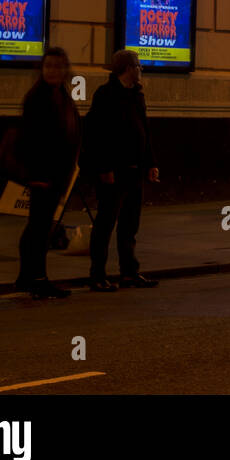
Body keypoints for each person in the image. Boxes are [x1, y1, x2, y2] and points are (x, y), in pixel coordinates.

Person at [82, 50, 161, 291]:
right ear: (127, 68)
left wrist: (151, 163)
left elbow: (144, 132)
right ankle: (97, 275)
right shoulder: (106, 95)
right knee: (105, 223)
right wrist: (104, 168)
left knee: (129, 224)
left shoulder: (137, 95)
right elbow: (97, 136)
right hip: (113, 171)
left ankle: (129, 272)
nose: (141, 70)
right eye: (138, 66)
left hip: (135, 170)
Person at [14, 46, 81, 299]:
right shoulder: (38, 97)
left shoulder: (61, 94)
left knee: (39, 227)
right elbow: (30, 139)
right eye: (48, 66)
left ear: (65, 69)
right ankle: (37, 278)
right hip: (43, 174)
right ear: (42, 69)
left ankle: (26, 277)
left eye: (58, 66)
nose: (53, 70)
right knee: (39, 229)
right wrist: (36, 174)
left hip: (58, 174)